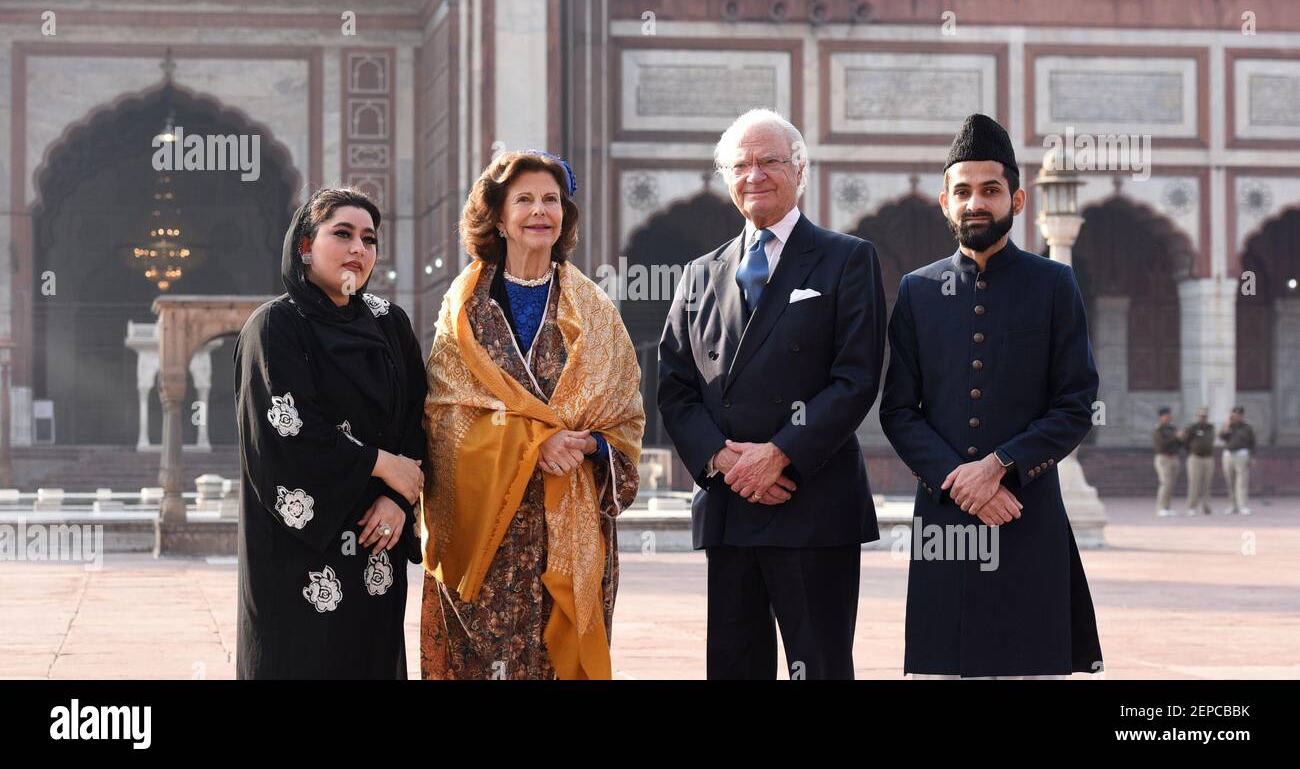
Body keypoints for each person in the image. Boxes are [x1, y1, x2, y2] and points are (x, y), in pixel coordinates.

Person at [658, 108, 886, 680]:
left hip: (812, 500)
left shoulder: (847, 258)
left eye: (769, 161)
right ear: (726, 178)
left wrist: (779, 453)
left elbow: (856, 377)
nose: (754, 175)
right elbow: (675, 387)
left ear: (800, 170)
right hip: (732, 502)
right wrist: (721, 457)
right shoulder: (700, 273)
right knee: (734, 667)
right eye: (740, 164)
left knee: (822, 667)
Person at [879, 113, 1103, 679]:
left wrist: (1001, 466)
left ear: (1018, 199)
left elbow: (1075, 403)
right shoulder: (918, 291)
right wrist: (962, 480)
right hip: (945, 514)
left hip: (1026, 509)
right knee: (945, 666)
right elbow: (899, 412)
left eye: (990, 190)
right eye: (963, 191)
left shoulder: (1053, 285)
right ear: (944, 202)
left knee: (1030, 662)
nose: (976, 202)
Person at [420, 150, 644, 680]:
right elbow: (445, 416)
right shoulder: (466, 309)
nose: (539, 211)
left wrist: (589, 445)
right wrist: (531, 445)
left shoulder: (592, 311)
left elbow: (625, 414)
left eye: (550, 199)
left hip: (572, 521)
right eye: (523, 200)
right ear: (498, 216)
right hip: (488, 532)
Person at [234, 187, 428, 679]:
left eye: (369, 238)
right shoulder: (276, 326)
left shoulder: (389, 324)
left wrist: (398, 501)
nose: (358, 249)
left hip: (375, 542)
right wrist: (384, 465)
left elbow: (419, 417)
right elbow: (286, 431)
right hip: (298, 550)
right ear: (305, 246)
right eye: (342, 234)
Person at [1219, 405, 1256, 515]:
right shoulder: (1228, 425)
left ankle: (1242, 506)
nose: (1237, 416)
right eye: (1235, 414)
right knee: (1230, 481)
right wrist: (1226, 426)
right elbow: (1222, 437)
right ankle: (1233, 505)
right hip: (1228, 455)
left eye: (1239, 415)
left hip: (1242, 455)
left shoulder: (1247, 427)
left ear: (1242, 416)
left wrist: (1252, 457)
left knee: (1242, 481)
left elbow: (1252, 443)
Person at [1183, 406, 1215, 515]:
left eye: (1205, 416)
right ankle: (1192, 507)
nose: (1203, 418)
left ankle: (1207, 507)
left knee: (1207, 484)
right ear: (1197, 416)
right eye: (1201, 416)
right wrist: (1191, 452)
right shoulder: (1192, 428)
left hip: (1208, 458)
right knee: (1194, 483)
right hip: (1195, 458)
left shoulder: (1211, 427)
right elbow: (1185, 442)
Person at [1153, 406, 1182, 516]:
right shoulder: (1158, 429)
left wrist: (1180, 439)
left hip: (1173, 457)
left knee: (1171, 484)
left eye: (1169, 415)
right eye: (1166, 415)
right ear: (1161, 417)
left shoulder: (1173, 428)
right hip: (1163, 458)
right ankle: (1160, 507)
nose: (1169, 417)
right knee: (1165, 483)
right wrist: (1175, 437)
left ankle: (1167, 507)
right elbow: (1162, 444)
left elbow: (1178, 444)